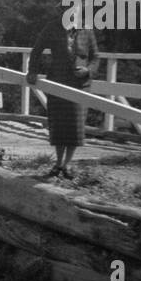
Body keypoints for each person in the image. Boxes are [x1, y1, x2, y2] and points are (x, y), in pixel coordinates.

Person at [26, 23, 99, 180]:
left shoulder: (86, 30)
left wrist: (88, 70)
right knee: (59, 125)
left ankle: (66, 165)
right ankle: (58, 164)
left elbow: (95, 57)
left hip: (80, 85)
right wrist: (32, 71)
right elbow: (36, 50)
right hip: (58, 82)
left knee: (75, 126)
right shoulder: (51, 28)